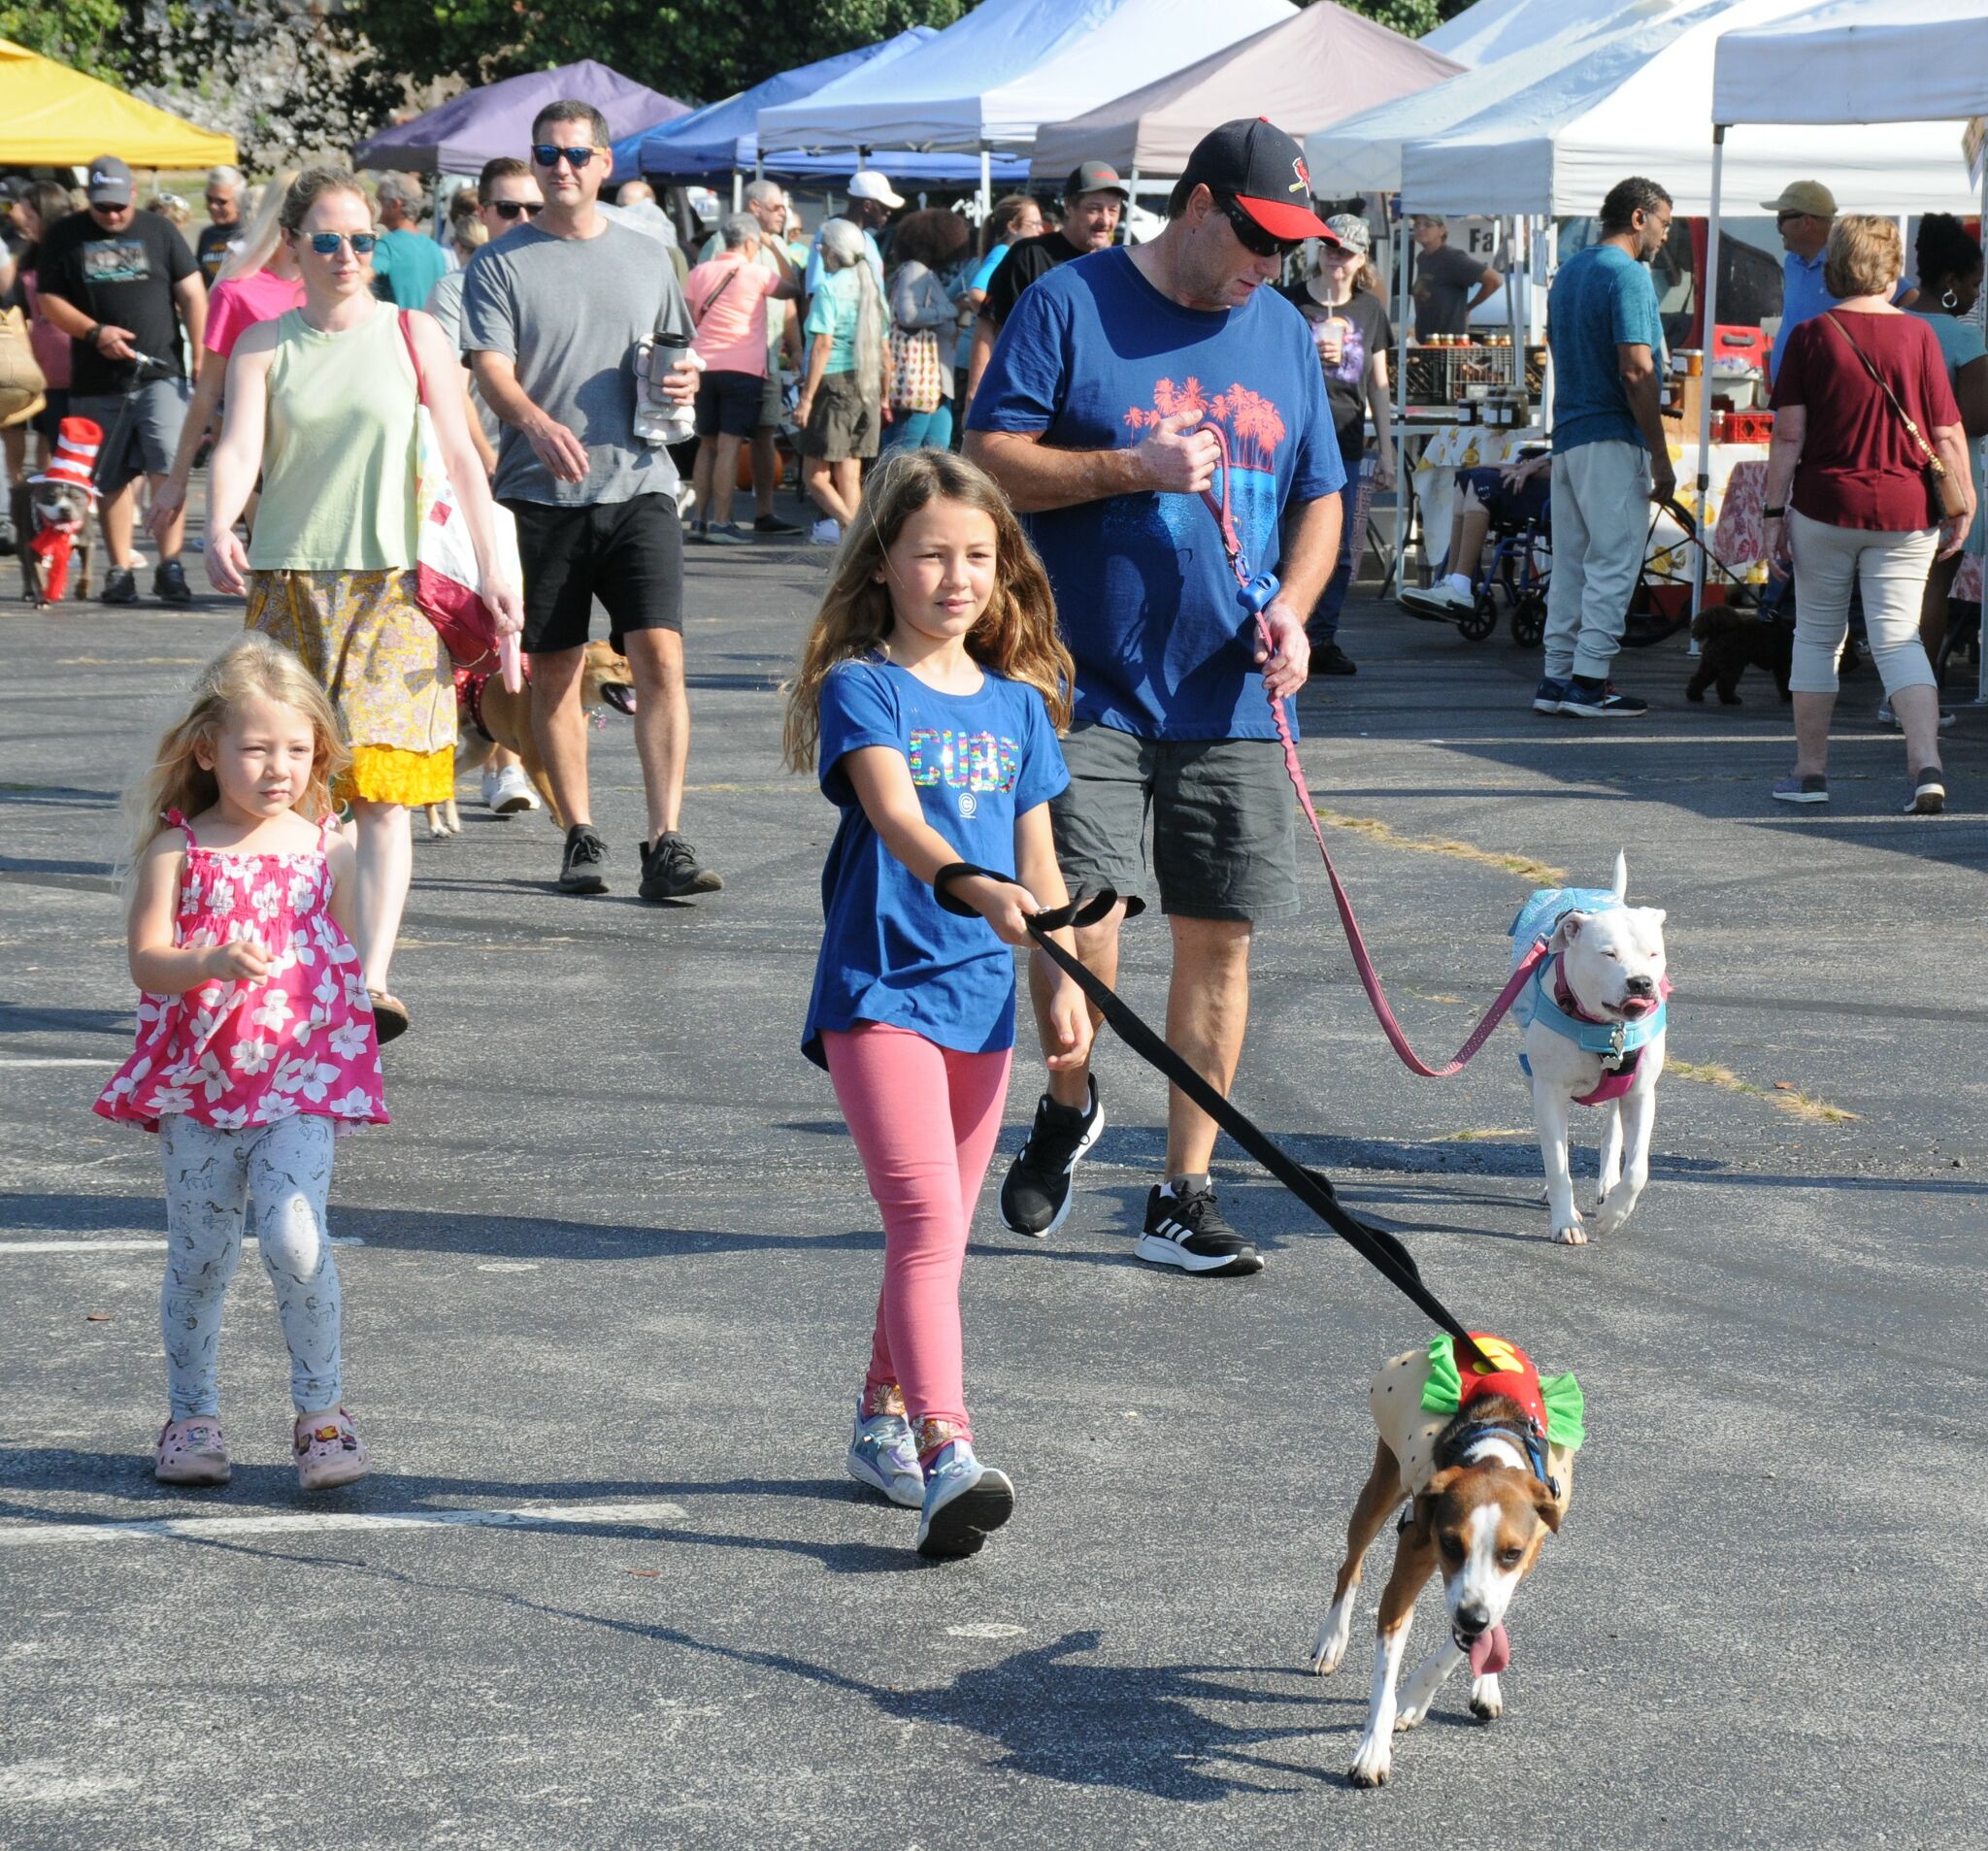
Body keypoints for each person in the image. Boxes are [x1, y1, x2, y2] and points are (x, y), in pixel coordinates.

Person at [966, 117, 1342, 1277]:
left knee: (1218, 934)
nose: (1271, 266)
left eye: (1289, 247)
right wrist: (1134, 466)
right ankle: (1071, 1096)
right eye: (1257, 239)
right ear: (1195, 206)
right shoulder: (1069, 303)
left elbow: (1320, 494)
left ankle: (1183, 1186)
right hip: (1082, 682)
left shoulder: (1279, 329)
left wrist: (1295, 605)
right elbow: (987, 456)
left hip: (1227, 690)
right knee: (1081, 920)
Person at [782, 448, 1088, 1558]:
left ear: (1002, 570)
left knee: (941, 1235)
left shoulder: (1019, 707)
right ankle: (945, 1450)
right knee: (922, 1225)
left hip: (980, 1002)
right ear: (883, 566)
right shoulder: (862, 685)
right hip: (878, 990)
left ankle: (879, 1421)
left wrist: (1061, 991)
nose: (955, 577)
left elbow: (1043, 874)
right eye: (930, 555)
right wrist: (968, 882)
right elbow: (900, 817)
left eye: (977, 556)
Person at [204, 167, 524, 1041]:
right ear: (295, 247)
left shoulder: (416, 333)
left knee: (383, 790)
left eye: (362, 241)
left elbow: (462, 457)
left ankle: (369, 982)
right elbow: (237, 448)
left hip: (394, 588)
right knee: (291, 790)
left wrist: (495, 568)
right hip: (290, 585)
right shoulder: (264, 343)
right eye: (328, 240)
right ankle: (298, 961)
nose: (348, 256)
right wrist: (218, 522)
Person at [94, 633, 385, 1492]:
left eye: (297, 749)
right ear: (207, 748)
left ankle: (322, 1415)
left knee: (297, 1240)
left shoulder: (327, 847)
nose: (277, 767)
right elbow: (147, 960)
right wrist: (209, 962)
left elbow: (342, 956)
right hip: (199, 1086)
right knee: (200, 1254)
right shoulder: (179, 849)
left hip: (297, 1085)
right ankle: (191, 1417)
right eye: (255, 748)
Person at [464, 99, 716, 903]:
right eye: (546, 155)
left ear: (607, 164)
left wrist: (687, 379)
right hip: (541, 494)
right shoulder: (501, 263)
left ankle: (666, 840)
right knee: (555, 671)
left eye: (576, 154)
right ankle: (578, 833)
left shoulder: (649, 259)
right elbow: (492, 370)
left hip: (640, 480)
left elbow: (678, 361)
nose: (560, 168)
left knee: (661, 656)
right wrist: (533, 421)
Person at [1763, 215, 1971, 816]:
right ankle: (1925, 765)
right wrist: (1964, 500)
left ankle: (1809, 773)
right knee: (1899, 638)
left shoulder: (1811, 335)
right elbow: (1947, 431)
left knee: (1819, 635)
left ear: (1837, 262)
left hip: (1825, 506)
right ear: (1890, 265)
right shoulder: (1921, 338)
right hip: (1906, 510)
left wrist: (1774, 513)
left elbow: (1787, 436)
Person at [33, 155, 207, 607]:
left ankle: (170, 566)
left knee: (167, 464)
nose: (111, 215)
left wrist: (204, 352)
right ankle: (119, 569)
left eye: (118, 206)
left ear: (133, 193)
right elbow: (49, 299)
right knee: (109, 478)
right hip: (96, 379)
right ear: (89, 198)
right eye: (102, 206)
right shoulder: (65, 236)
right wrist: (93, 332)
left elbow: (191, 291)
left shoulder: (160, 231)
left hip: (161, 372)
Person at [1536, 177, 1676, 721]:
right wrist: (1659, 453)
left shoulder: (1568, 272)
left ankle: (1557, 677)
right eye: (1663, 223)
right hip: (1612, 435)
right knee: (1614, 562)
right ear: (1638, 218)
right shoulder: (1630, 276)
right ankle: (1590, 682)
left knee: (1571, 564)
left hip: (1569, 433)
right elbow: (1637, 370)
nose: (1665, 236)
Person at [147, 172, 307, 553]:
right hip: (267, 467)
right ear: (288, 223)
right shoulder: (239, 293)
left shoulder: (345, 292)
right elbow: (207, 393)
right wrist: (177, 480)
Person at [1275, 213, 1397, 673]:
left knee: (1345, 546)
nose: (1335, 259)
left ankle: (1322, 637)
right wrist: (1313, 352)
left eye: (1344, 252)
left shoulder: (1369, 309)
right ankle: (1284, 628)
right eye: (1328, 249)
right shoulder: (1291, 303)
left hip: (1347, 439)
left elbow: (1379, 384)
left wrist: (1384, 450)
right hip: (1293, 439)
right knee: (1285, 538)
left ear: (1361, 258)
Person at [1903, 214, 1988, 699]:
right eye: (1975, 283)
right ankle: (1913, 697)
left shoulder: (1894, 322)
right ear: (1952, 282)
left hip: (1892, 474)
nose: (1978, 295)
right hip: (1946, 482)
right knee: (1932, 590)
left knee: (1893, 591)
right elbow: (1977, 418)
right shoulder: (1963, 337)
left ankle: (1893, 692)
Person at [966, 161, 1126, 407]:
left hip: (1089, 399)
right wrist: (975, 396)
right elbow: (988, 326)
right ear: (1069, 206)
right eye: (1094, 209)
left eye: (1113, 210)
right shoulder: (1029, 255)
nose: (1105, 220)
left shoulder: (1117, 266)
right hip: (1029, 396)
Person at [684, 211, 800, 544]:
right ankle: (723, 522)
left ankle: (700, 521)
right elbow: (792, 287)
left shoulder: (699, 272)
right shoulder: (758, 274)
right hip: (743, 368)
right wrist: (775, 248)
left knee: (706, 446)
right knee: (729, 446)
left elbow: (688, 316)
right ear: (751, 242)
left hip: (703, 366)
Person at [797, 219, 889, 547]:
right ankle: (852, 550)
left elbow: (823, 345)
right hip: (866, 383)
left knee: (814, 475)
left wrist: (806, 398)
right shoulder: (872, 289)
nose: (820, 254)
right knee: (849, 474)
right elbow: (884, 350)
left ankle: (858, 534)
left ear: (833, 253)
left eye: (822, 248)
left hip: (832, 384)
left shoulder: (829, 289)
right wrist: (885, 395)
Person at [1408, 451, 1551, 613]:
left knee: (1481, 482)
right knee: (1467, 477)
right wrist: (1517, 467)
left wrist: (1523, 468)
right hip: (1548, 475)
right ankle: (1450, 581)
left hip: (1557, 489)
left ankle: (1460, 585)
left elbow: (1564, 465)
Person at [883, 208, 972, 453]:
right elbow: (908, 315)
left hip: (932, 382)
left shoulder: (918, 271)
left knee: (935, 452)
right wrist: (952, 309)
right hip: (920, 380)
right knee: (905, 452)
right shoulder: (916, 271)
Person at [1763, 181, 1838, 383]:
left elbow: (1904, 295)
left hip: (1822, 397)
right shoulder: (1792, 262)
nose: (1778, 227)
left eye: (1782, 219)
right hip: (1789, 396)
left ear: (1806, 222)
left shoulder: (1847, 262)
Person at [1408, 215, 1503, 342]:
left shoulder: (1452, 258)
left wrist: (1468, 308)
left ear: (1442, 230)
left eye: (1427, 225)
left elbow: (1494, 280)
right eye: (1417, 224)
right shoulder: (1422, 258)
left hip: (1448, 341)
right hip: (1427, 340)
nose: (1420, 228)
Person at [805, 169, 897, 295]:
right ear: (867, 206)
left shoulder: (870, 241)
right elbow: (815, 292)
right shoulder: (827, 236)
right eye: (884, 207)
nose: (888, 212)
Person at [371, 173, 448, 312]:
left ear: (394, 204)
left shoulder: (386, 246)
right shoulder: (434, 248)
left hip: (397, 327)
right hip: (427, 328)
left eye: (378, 200)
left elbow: (360, 277)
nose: (374, 206)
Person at [962, 194, 1044, 319]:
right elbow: (976, 293)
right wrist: (1000, 323)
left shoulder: (1010, 254)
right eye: (1035, 224)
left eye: (1041, 223)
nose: (1041, 229)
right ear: (1013, 227)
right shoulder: (1002, 253)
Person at [196, 167, 245, 286]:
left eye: (221, 201)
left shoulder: (250, 234)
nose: (213, 206)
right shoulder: (207, 235)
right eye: (209, 199)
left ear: (239, 201)